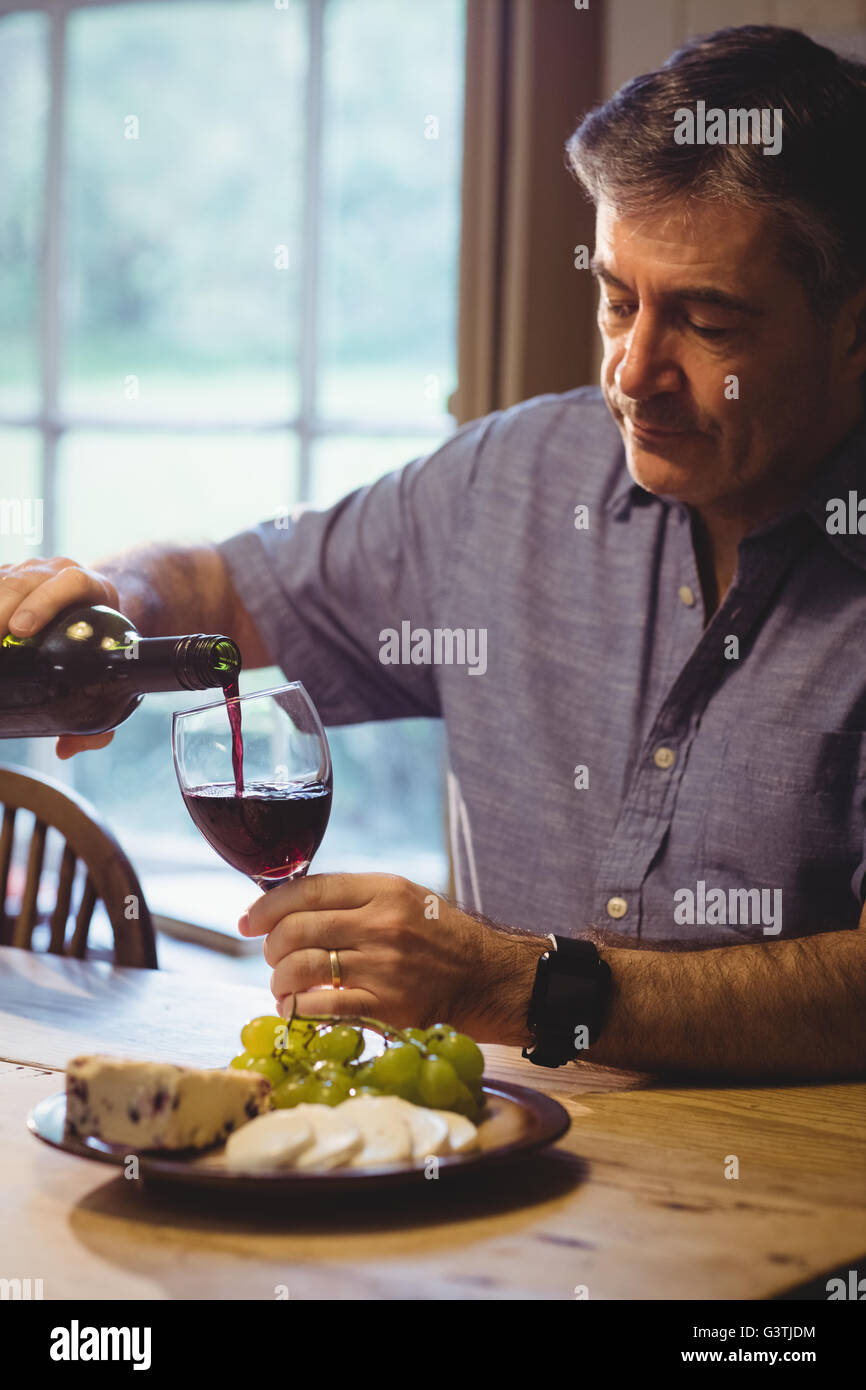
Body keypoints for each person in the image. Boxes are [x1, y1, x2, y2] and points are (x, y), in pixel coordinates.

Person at [3, 25, 865, 1080]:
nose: (633, 373)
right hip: (511, 1197)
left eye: (706, 321)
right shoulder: (511, 479)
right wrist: (114, 598)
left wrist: (521, 984)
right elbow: (225, 588)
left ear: (851, 328)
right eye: (614, 298)